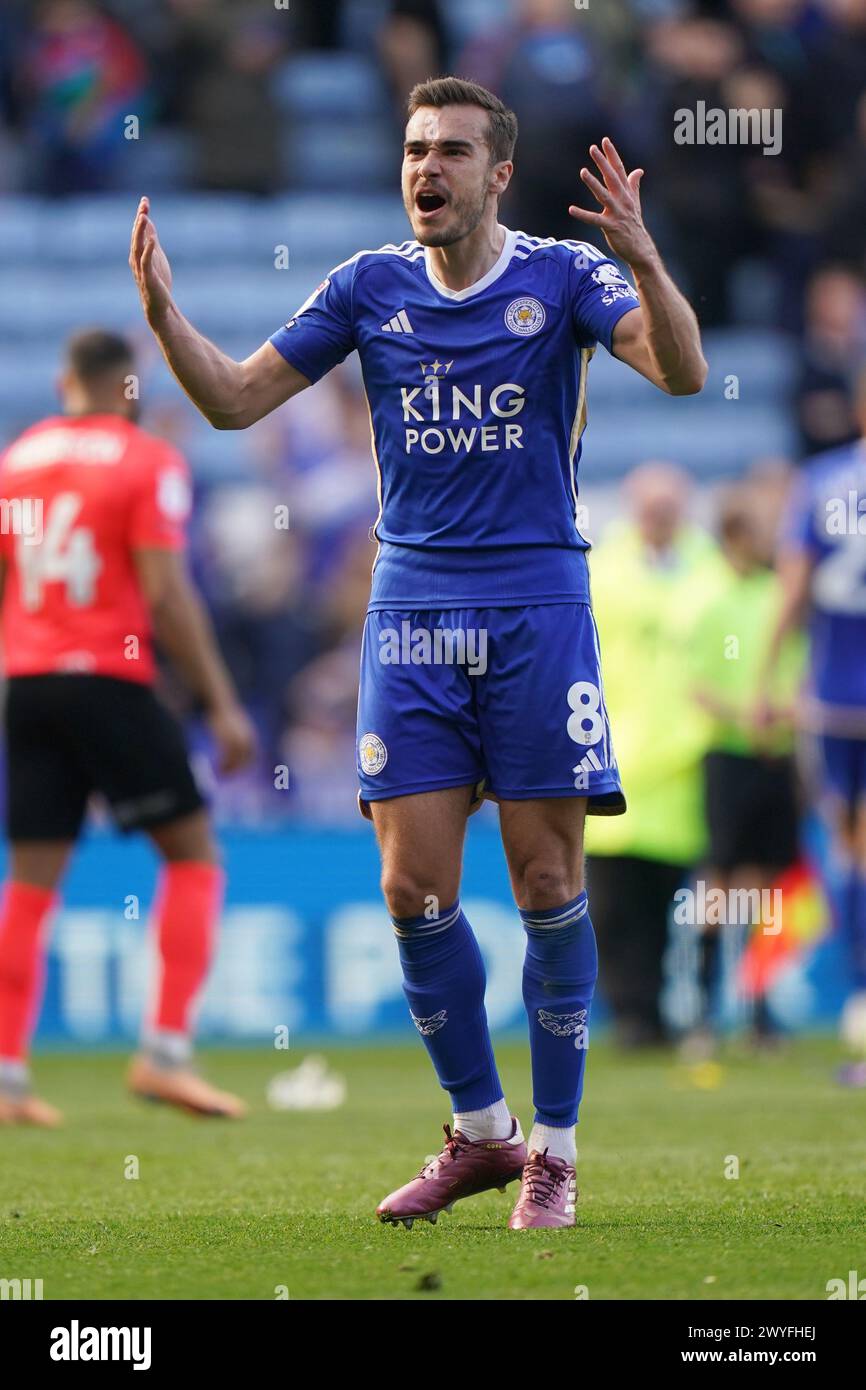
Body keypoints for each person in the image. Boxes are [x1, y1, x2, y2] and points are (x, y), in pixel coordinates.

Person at [129, 75, 706, 1230]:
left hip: (536, 604)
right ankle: (480, 1135)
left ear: (496, 173)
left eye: (448, 151)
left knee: (545, 881)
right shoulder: (366, 287)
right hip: (411, 612)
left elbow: (682, 370)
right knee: (410, 888)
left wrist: (643, 256)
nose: (424, 169)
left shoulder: (563, 275)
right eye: (411, 150)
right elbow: (238, 402)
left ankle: (553, 1150)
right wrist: (165, 322)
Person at [0, 329, 256, 1125]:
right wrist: (220, 701)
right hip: (108, 678)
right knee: (194, 854)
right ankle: (166, 1054)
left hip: (27, 683)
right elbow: (168, 593)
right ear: (129, 387)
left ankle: (7, 1074)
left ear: (62, 379)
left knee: (32, 881)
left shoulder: (16, 462)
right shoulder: (147, 460)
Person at [586, 463, 728, 1049]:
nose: (659, 519)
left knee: (696, 903)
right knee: (618, 908)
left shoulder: (711, 570)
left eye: (669, 508)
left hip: (693, 759)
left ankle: (697, 1014)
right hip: (618, 756)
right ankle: (634, 1016)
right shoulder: (600, 569)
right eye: (650, 508)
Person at [757, 368, 866, 1082]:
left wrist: (765, 676)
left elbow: (794, 588)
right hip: (836, 703)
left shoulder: (823, 481)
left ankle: (862, 1002)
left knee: (851, 850)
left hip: (833, 700)